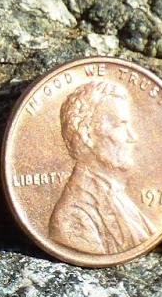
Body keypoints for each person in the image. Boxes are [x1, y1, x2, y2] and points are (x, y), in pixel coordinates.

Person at [48, 79, 154, 256]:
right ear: (86, 134)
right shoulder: (73, 217)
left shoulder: (118, 196)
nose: (132, 136)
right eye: (121, 125)